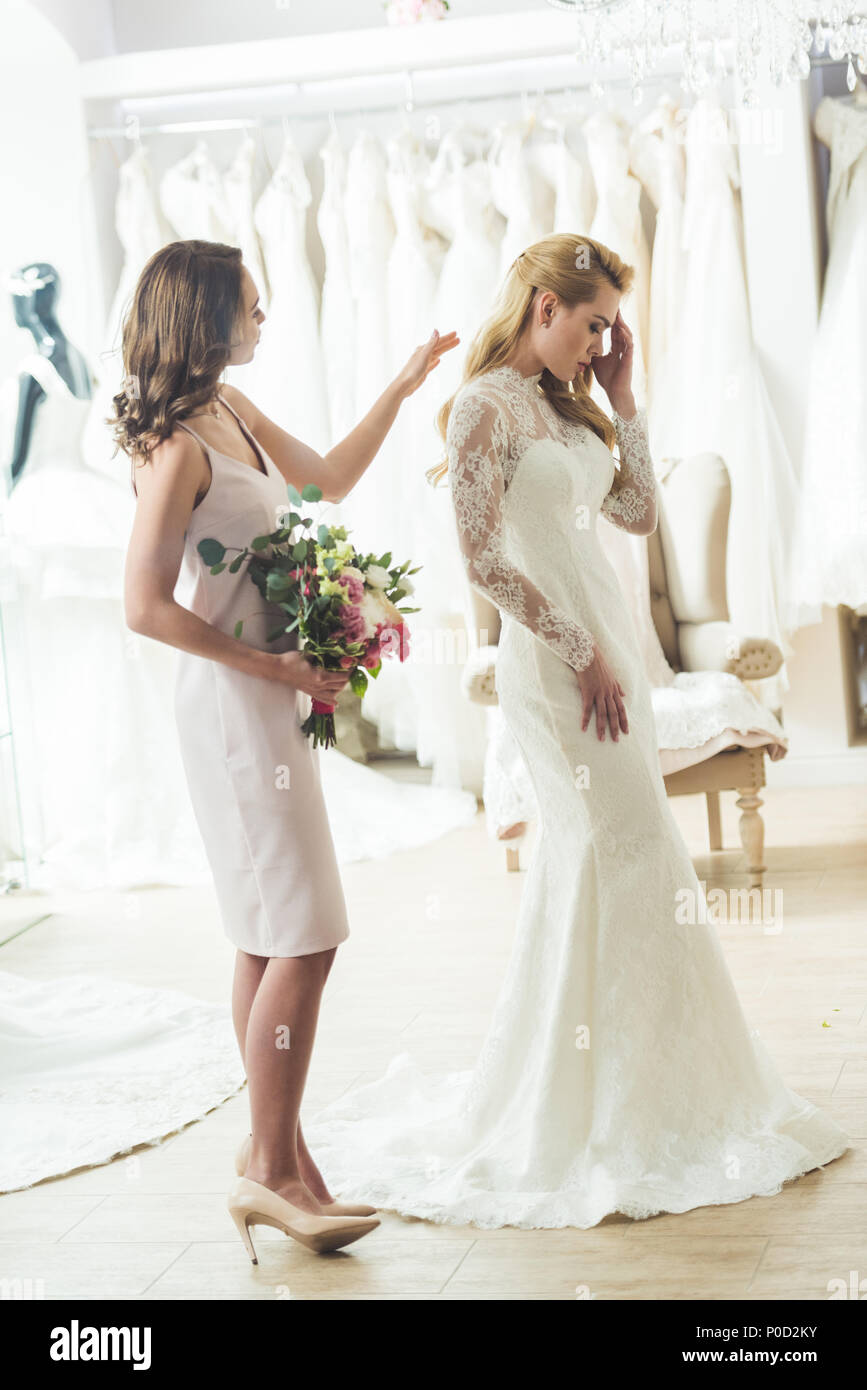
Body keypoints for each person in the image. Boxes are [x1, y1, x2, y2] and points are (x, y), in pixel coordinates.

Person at [302, 233, 849, 1230]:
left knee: (635, 858)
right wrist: (576, 646)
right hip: (557, 669)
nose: (600, 338)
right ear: (541, 306)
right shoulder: (480, 407)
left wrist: (626, 395)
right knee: (608, 849)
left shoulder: (571, 404)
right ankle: (584, 1103)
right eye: (590, 321)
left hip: (610, 658)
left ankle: (661, 1089)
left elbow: (636, 511)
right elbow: (483, 561)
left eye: (608, 324)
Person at [116, 238, 458, 1259]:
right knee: (307, 933)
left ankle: (285, 1159)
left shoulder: (234, 410)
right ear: (206, 317)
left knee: (268, 934)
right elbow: (141, 606)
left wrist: (401, 387)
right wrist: (275, 671)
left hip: (267, 699)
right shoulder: (178, 444)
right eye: (252, 307)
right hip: (233, 708)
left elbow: (329, 486)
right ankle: (268, 1168)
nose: (266, 319)